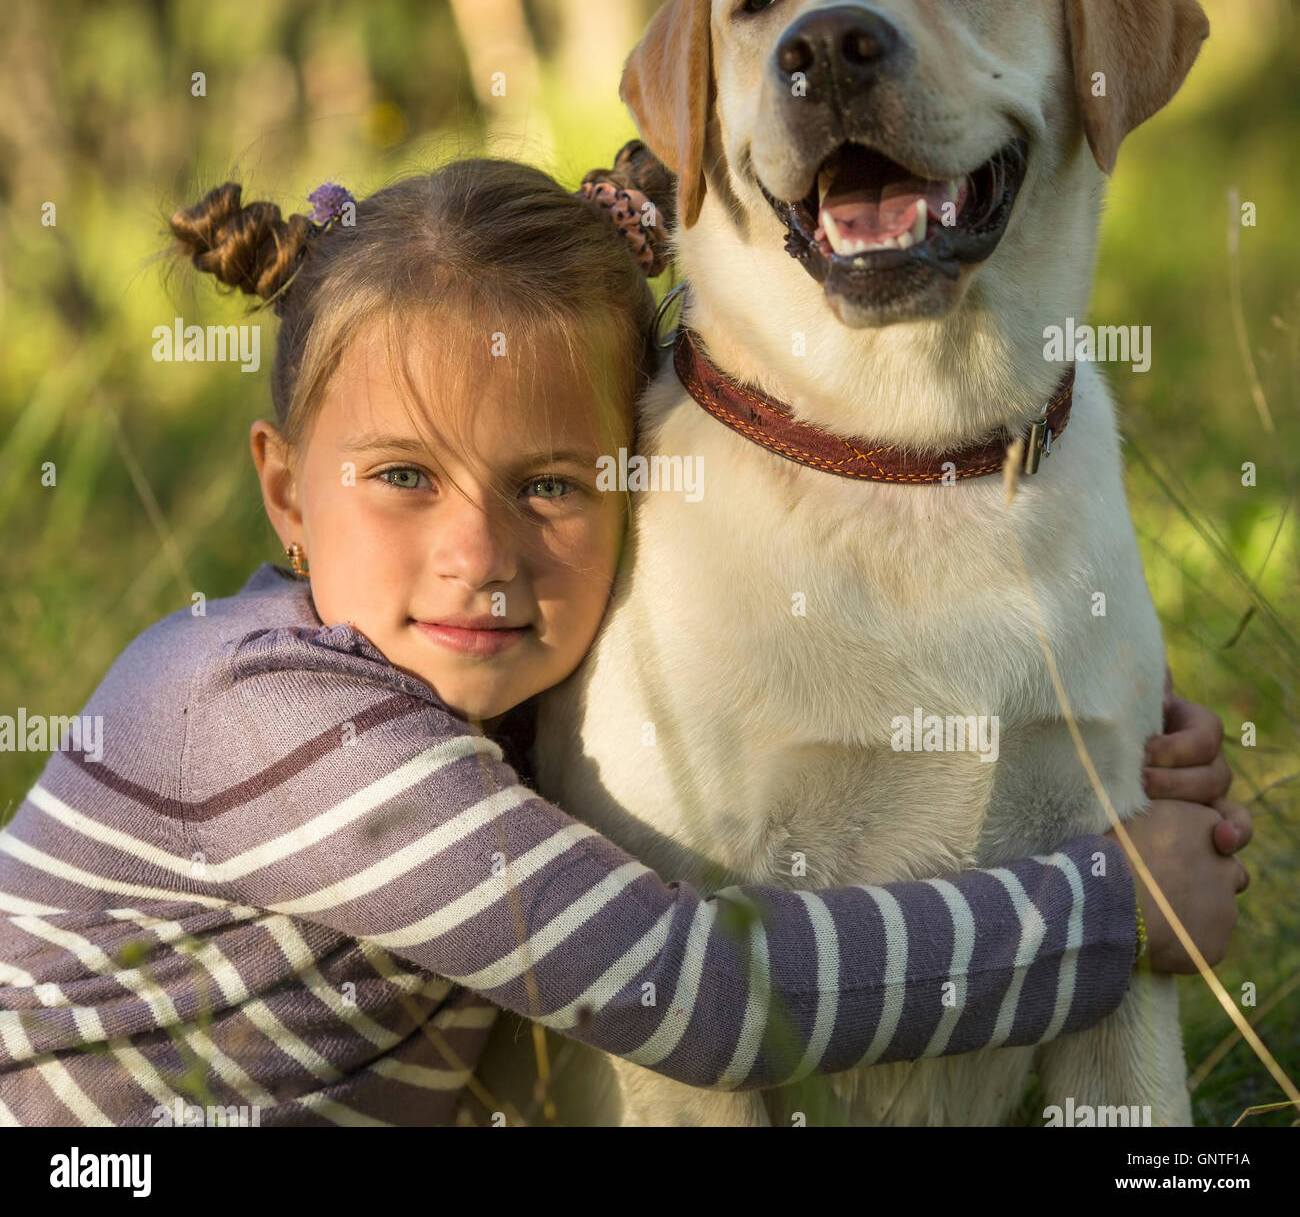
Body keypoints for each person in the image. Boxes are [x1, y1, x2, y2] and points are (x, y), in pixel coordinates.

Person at [0, 149, 1250, 1127]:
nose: (475, 555)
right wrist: (1115, 907)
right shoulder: (262, 716)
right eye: (399, 476)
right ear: (283, 494)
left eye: (550, 486)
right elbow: (695, 992)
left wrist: (1083, 744)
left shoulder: (473, 706)